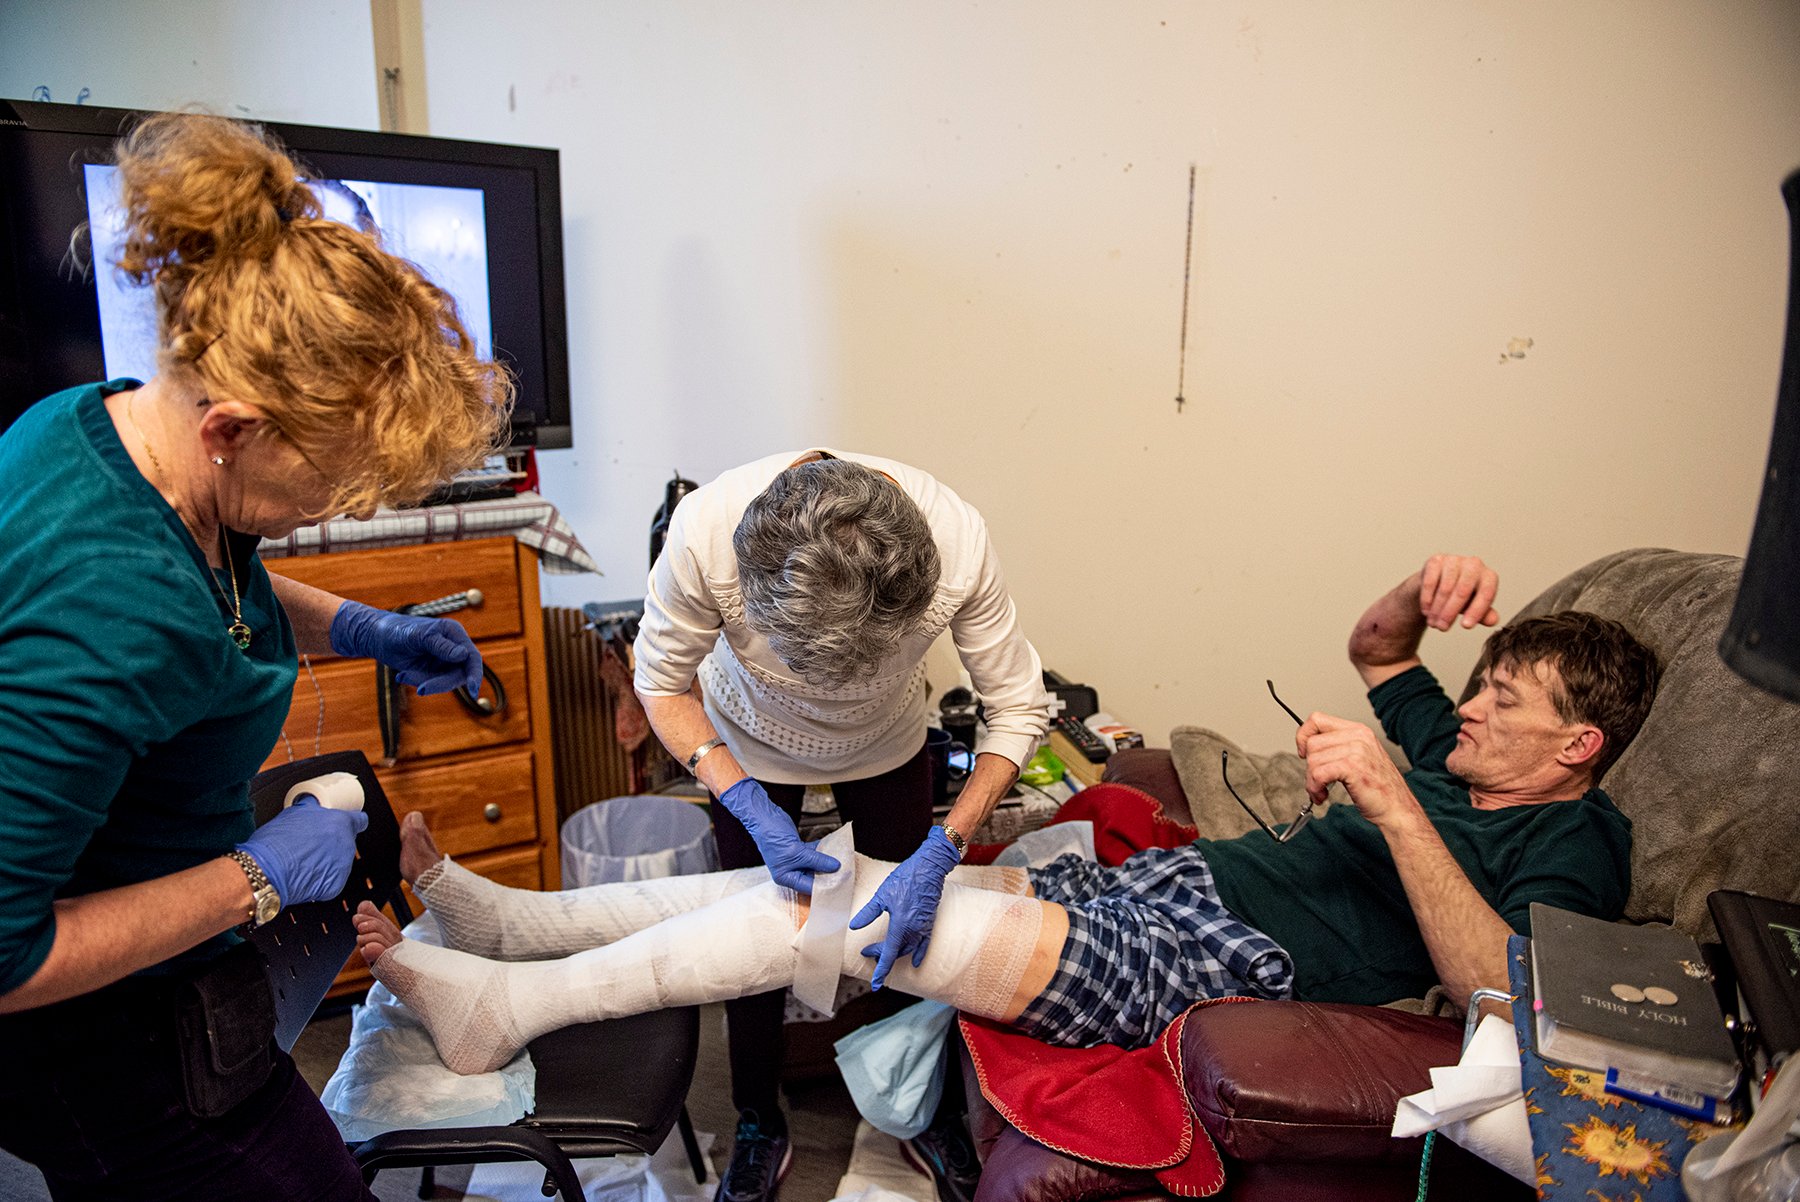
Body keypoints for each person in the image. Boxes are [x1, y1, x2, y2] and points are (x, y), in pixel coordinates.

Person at [351, 552, 1661, 1068]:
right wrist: (1424, 589)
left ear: (1581, 743)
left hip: (1223, 964)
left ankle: (512, 1001)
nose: (1470, 707)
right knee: (835, 875)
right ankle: (519, 922)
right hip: (1168, 890)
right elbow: (1378, 644)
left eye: (1509, 698)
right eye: (1477, 686)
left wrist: (1392, 802)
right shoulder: (1463, 750)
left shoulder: (1576, 842)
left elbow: (1508, 996)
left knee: (842, 910)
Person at [0, 111, 510, 1201]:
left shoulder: (104, 426)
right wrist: (254, 875)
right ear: (230, 427)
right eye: (328, 485)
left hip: (186, 994)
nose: (331, 512)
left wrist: (361, 626)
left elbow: (199, 582)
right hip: (106, 1045)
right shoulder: (100, 608)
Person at [632, 450, 1051, 1196]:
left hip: (887, 740)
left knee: (908, 930)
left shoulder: (956, 540)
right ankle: (759, 1113)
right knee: (755, 934)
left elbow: (1017, 706)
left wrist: (943, 847)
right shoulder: (703, 533)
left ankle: (914, 1105)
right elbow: (661, 684)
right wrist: (744, 803)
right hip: (747, 742)